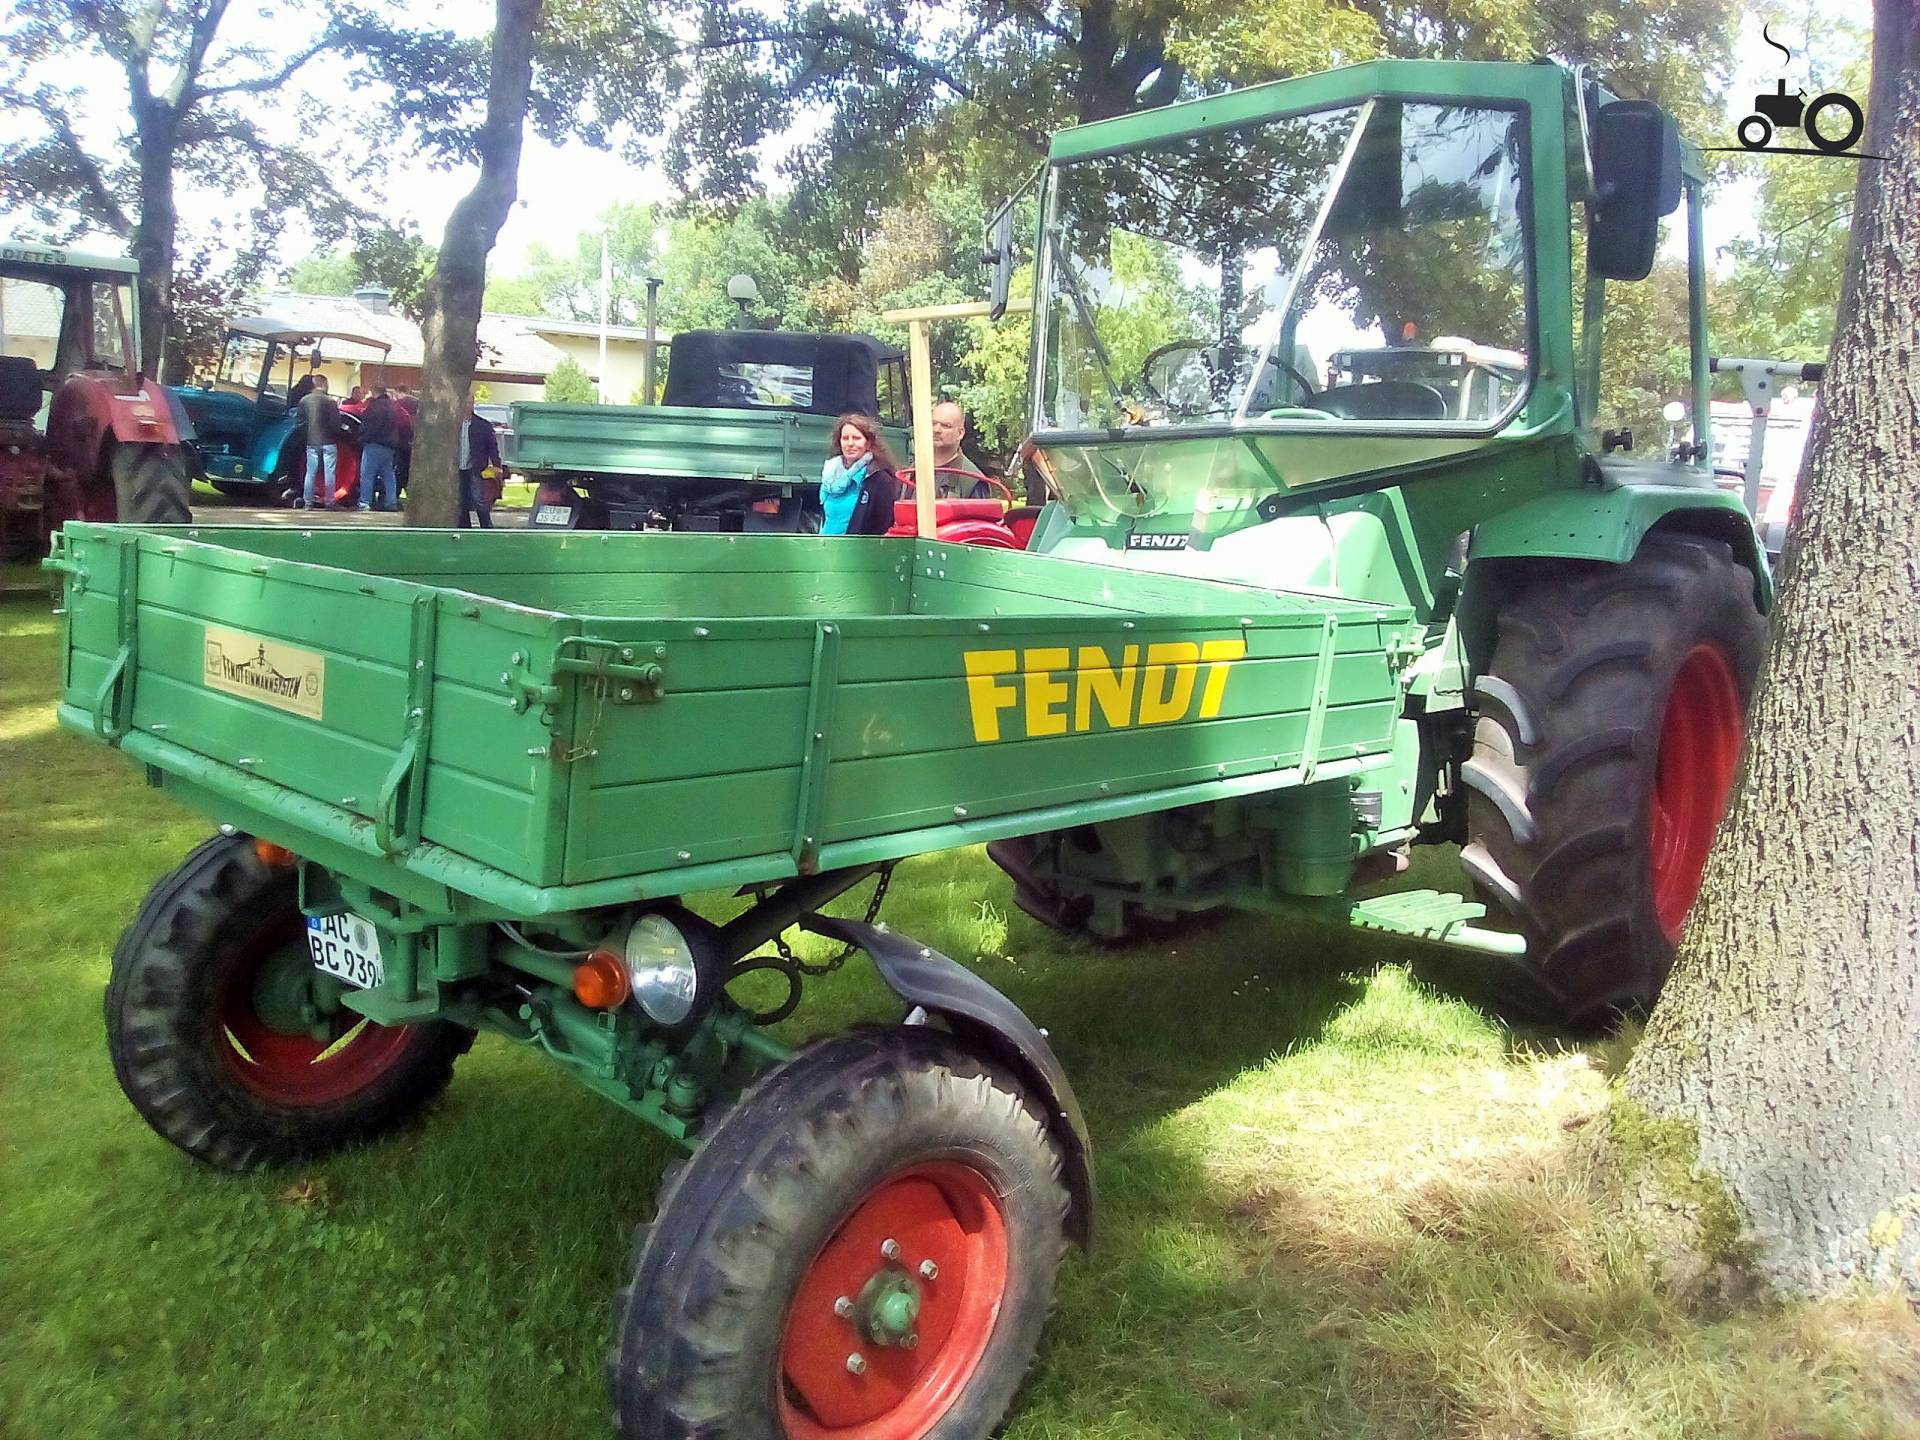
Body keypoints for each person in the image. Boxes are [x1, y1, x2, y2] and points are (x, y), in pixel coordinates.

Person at [819, 413, 901, 535]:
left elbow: (883, 526)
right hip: (825, 548)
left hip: (858, 551)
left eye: (856, 438)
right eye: (845, 438)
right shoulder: (830, 475)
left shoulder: (880, 479)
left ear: (868, 443)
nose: (850, 443)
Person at [928, 400, 992, 498]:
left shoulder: (972, 480)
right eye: (933, 423)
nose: (936, 430)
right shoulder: (912, 472)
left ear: (960, 433)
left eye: (946, 426)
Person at [297, 375, 343, 509]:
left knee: (310, 471)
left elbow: (300, 422)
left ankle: (308, 502)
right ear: (324, 384)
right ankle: (330, 501)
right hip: (329, 440)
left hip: (311, 441)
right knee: (330, 472)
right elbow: (336, 423)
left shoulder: (304, 400)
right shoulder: (330, 401)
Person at [458, 397, 501, 529]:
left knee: (478, 499)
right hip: (457, 468)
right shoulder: (454, 425)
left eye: (469, 403)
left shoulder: (482, 426)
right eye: (464, 403)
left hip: (475, 468)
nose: (466, 406)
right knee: (461, 500)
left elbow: (492, 447)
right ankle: (464, 527)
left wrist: (496, 465)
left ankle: (486, 526)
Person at [357, 386, 401, 512]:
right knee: (388, 475)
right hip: (390, 445)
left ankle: (365, 502)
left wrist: (363, 438)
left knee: (367, 474)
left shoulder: (375, 406)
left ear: (374, 393)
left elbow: (371, 426)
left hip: (375, 443)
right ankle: (391, 502)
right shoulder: (392, 405)